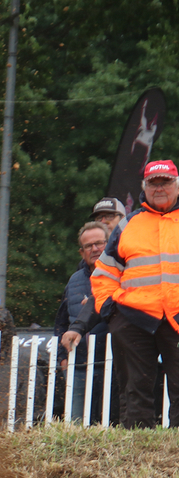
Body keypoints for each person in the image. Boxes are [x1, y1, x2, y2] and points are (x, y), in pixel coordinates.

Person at [88, 159, 179, 428]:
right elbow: (104, 272)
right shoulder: (127, 225)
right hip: (133, 317)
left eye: (166, 182)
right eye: (154, 183)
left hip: (176, 315)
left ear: (176, 185)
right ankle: (137, 448)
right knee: (135, 387)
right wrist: (111, 311)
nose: (159, 188)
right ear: (144, 187)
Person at [55, 222, 114, 424]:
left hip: (112, 365)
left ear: (109, 244)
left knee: (111, 423)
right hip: (78, 366)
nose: (95, 249)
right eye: (89, 246)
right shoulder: (74, 281)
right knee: (76, 425)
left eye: (99, 243)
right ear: (82, 252)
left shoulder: (120, 276)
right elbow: (61, 323)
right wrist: (62, 357)